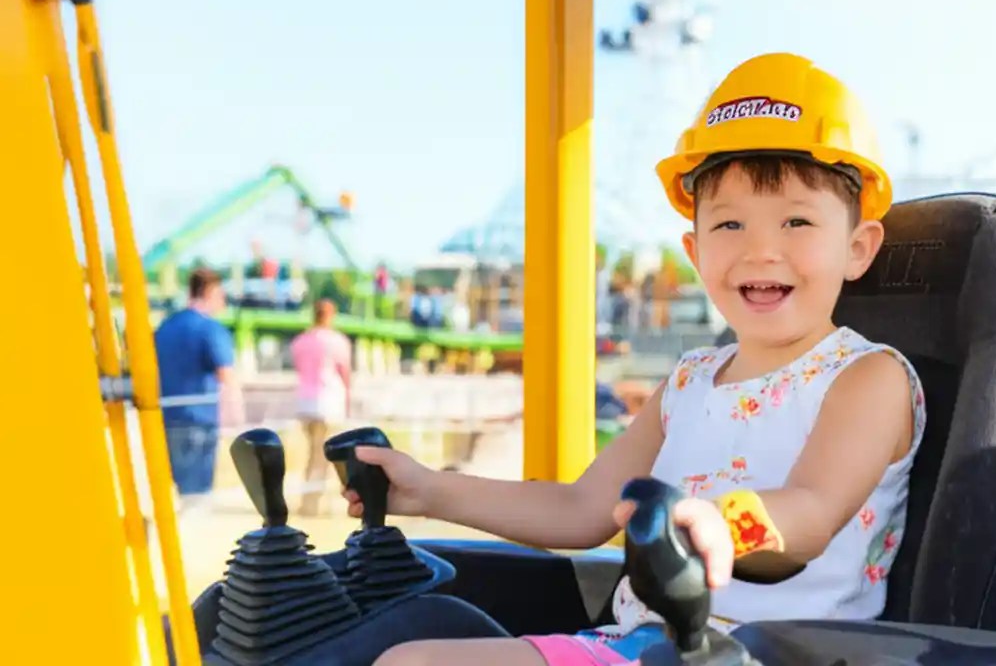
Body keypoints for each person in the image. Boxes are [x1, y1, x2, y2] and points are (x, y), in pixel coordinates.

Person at [361, 53, 927, 665]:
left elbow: (814, 512)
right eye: (730, 224)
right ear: (694, 248)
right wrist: (429, 490)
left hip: (776, 654)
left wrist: (720, 524)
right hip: (640, 648)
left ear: (858, 247)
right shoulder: (691, 382)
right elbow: (582, 509)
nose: (763, 251)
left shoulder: (868, 377)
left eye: (796, 221)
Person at [155, 267, 244, 507]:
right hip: (200, 420)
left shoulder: (165, 327)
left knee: (179, 488)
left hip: (167, 416)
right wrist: (237, 420)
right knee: (197, 496)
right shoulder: (211, 329)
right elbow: (226, 375)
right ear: (210, 291)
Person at [290, 298, 353, 516]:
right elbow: (345, 373)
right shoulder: (337, 341)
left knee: (312, 453)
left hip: (305, 403)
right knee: (323, 455)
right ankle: (314, 502)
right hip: (328, 403)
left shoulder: (300, 341)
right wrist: (348, 401)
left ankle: (310, 499)